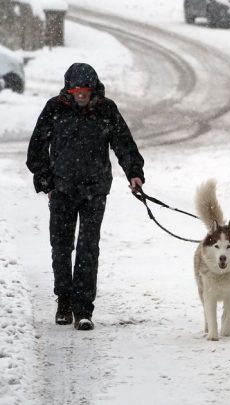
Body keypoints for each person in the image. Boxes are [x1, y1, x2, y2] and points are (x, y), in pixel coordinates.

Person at [26, 63, 145, 331]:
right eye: (77, 91)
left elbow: (123, 143)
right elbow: (36, 149)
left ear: (94, 90)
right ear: (69, 89)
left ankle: (83, 309)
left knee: (88, 248)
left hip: (95, 189)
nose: (81, 96)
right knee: (61, 246)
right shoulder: (54, 108)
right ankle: (64, 300)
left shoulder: (106, 110)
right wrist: (47, 181)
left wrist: (134, 172)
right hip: (62, 190)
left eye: (86, 91)